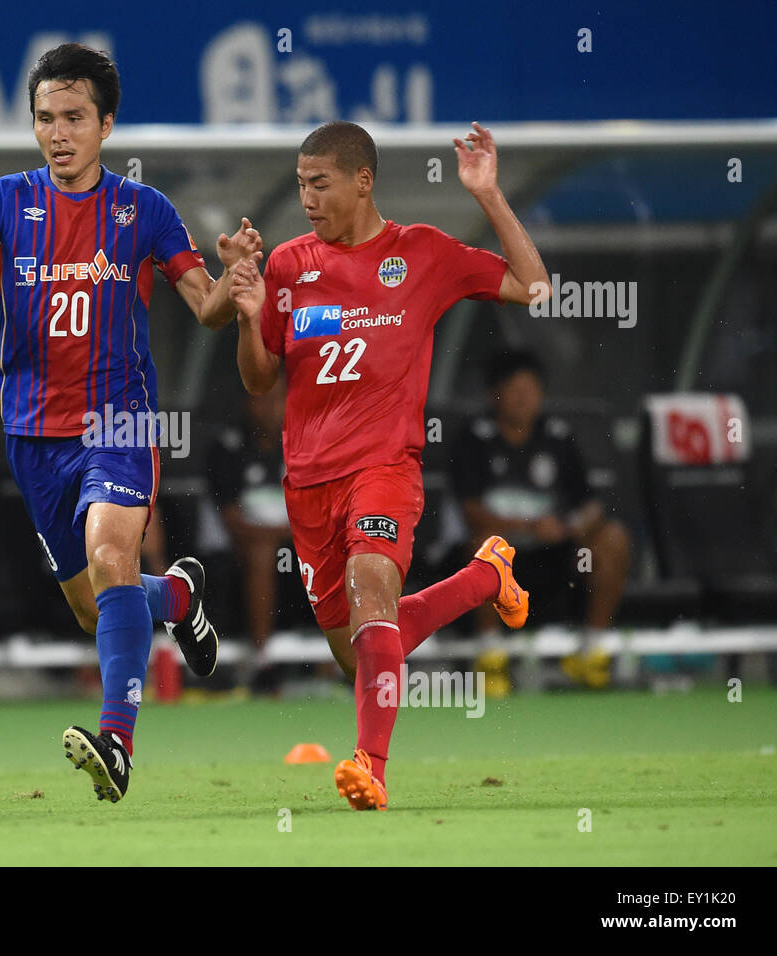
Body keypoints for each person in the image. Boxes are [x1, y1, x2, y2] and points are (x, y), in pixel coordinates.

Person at [0, 43, 261, 802]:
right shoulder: (4, 201)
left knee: (112, 559)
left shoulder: (146, 211)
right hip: (33, 436)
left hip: (120, 422)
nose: (59, 133)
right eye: (46, 118)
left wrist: (236, 278)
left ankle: (116, 742)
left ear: (106, 124)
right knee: (92, 607)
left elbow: (205, 309)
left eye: (74, 117)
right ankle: (176, 597)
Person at [231, 120, 549, 810]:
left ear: (362, 181)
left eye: (321, 183)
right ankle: (484, 576)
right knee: (367, 650)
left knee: (372, 587)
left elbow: (534, 286)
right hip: (307, 483)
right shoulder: (287, 264)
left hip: (385, 466)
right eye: (300, 185)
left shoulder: (421, 254)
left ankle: (369, 766)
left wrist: (488, 194)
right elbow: (260, 382)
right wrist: (248, 314)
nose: (308, 198)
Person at [451, 349, 632, 687]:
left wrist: (568, 529)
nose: (524, 399)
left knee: (613, 538)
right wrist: (528, 528)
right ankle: (491, 659)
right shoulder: (473, 439)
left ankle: (590, 652)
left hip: (557, 560)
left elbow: (590, 504)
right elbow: (470, 512)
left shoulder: (558, 437)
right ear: (495, 395)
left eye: (531, 390)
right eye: (515, 390)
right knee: (484, 544)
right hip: (501, 563)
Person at [206, 383, 294, 690]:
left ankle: (344, 661)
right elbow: (235, 525)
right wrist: (281, 534)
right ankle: (262, 661)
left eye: (279, 398)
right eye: (263, 399)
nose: (271, 407)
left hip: (300, 544)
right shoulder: (228, 448)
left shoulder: (304, 444)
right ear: (247, 403)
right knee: (262, 551)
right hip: (243, 549)